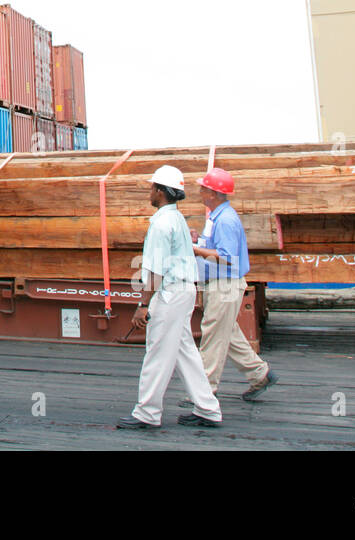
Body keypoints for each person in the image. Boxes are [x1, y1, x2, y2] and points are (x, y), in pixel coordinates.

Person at [116, 166, 222, 430]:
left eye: (153, 187)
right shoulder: (177, 220)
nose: (150, 192)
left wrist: (143, 305)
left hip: (171, 292)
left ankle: (147, 412)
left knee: (158, 351)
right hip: (185, 290)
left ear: (161, 192)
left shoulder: (162, 224)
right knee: (185, 351)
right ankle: (208, 409)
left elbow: (154, 269)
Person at [188, 168, 278, 402]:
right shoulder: (218, 216)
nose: (199, 190)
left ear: (212, 193)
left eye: (203, 187)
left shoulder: (225, 220)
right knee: (228, 335)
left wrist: (195, 249)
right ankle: (260, 375)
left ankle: (204, 391)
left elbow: (227, 256)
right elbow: (218, 247)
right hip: (221, 284)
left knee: (212, 336)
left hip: (224, 285)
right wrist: (200, 241)